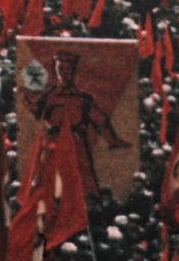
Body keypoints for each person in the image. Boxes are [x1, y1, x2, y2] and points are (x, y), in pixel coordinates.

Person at [24, 49, 129, 198]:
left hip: (76, 143)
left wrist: (112, 140)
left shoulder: (82, 99)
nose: (65, 73)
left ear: (74, 72)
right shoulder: (49, 95)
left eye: (68, 70)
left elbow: (100, 120)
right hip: (54, 142)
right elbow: (35, 110)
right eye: (61, 69)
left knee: (83, 178)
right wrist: (27, 98)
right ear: (55, 70)